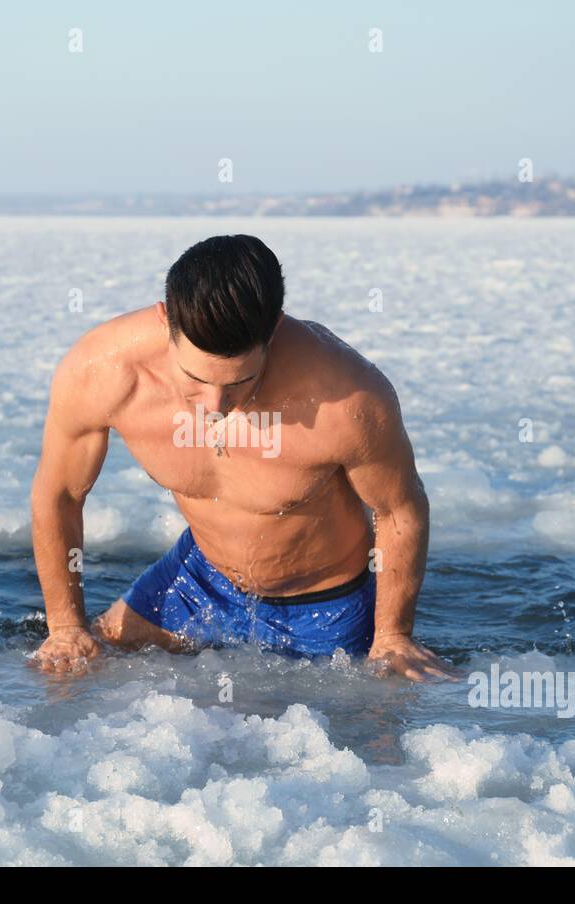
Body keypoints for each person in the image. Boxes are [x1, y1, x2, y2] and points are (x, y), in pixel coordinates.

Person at [30, 235, 457, 681]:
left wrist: (392, 635)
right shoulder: (101, 373)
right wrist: (65, 626)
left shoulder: (346, 398)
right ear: (166, 320)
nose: (216, 406)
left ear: (273, 330)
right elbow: (59, 494)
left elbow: (398, 510)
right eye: (196, 380)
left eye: (239, 383)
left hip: (324, 605)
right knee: (76, 671)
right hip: (198, 578)